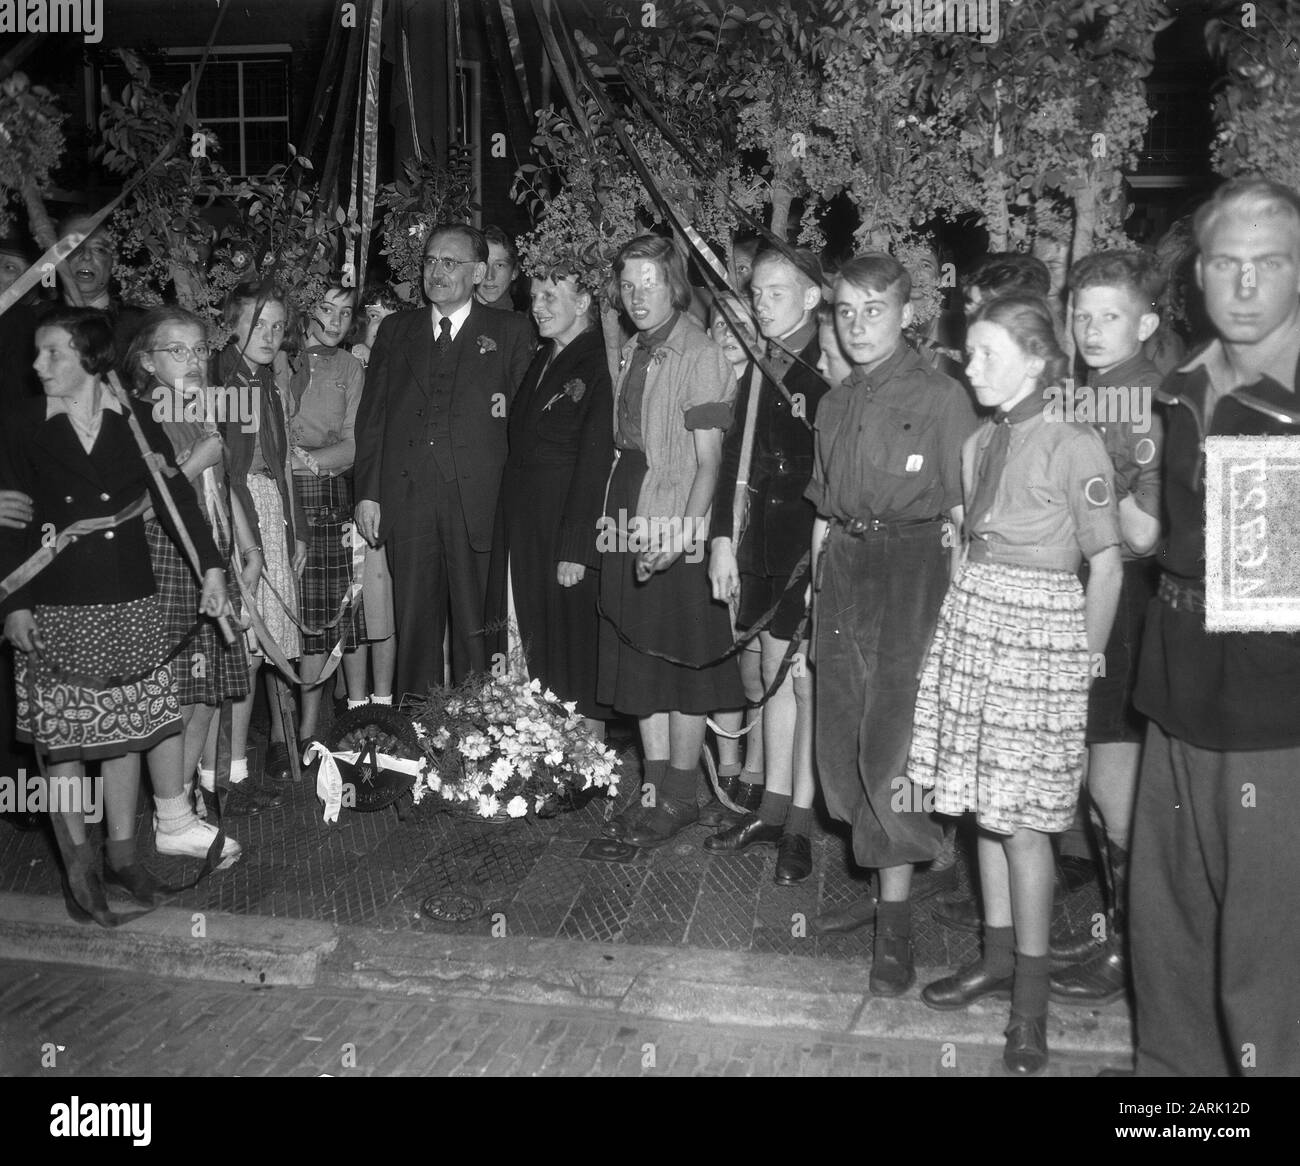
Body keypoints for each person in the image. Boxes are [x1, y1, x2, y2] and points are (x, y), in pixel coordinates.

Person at [907, 294, 1122, 1075]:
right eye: (970, 352)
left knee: (1026, 825)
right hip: (977, 625)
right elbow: (968, 547)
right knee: (979, 809)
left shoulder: (1074, 445)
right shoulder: (975, 444)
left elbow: (1104, 564)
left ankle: (1030, 1008)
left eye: (990, 352)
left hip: (1044, 637)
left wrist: (1083, 664)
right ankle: (995, 956)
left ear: (1037, 359)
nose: (973, 365)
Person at [1128, 177, 1300, 1077]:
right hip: (1178, 693)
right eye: (1226, 264)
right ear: (1197, 273)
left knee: (1269, 968)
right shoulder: (1183, 385)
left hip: (1275, 720)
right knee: (1172, 940)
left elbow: (1270, 583)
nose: (1244, 286)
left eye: (1268, 265)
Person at [0, 308, 230, 922]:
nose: (37, 365)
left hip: (130, 598)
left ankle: (124, 858)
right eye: (39, 352)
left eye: (53, 354)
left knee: (127, 734)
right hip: (55, 603)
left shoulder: (133, 417)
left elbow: (174, 496)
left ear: (91, 359)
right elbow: (10, 520)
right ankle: (81, 873)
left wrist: (212, 569)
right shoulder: (23, 422)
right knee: (67, 739)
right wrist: (15, 603)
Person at [804, 253, 976, 992]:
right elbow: (824, 511)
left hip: (914, 572)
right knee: (840, 752)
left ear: (906, 313)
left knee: (893, 751)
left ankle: (894, 933)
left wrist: (961, 608)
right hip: (845, 568)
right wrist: (817, 596)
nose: (857, 323)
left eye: (873, 308)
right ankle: (908, 871)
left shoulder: (943, 398)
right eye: (844, 310)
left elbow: (965, 515)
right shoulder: (835, 403)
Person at [597, 234, 744, 847]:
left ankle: (682, 792)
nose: (637, 295)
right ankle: (656, 789)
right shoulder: (635, 347)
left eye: (649, 282)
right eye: (628, 284)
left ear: (674, 285)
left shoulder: (698, 351)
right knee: (642, 657)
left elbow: (710, 462)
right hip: (632, 500)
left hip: (678, 509)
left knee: (680, 661)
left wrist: (684, 533)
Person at [1047, 251, 1165, 1006]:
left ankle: (1133, 953)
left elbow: (1147, 533)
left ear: (1146, 323)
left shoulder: (1141, 400)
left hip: (1123, 602)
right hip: (1085, 592)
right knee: (1095, 780)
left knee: (1113, 780)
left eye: (1110, 316)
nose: (1091, 329)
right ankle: (1121, 935)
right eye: (1082, 315)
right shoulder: (1087, 392)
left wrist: (1097, 477)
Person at [353, 222, 532, 693]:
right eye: (430, 261)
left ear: (477, 272)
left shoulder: (511, 331)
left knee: (479, 628)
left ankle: (473, 743)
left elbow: (525, 428)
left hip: (480, 502)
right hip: (408, 500)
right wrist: (368, 493)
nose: (437, 271)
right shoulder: (396, 330)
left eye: (450, 263)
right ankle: (416, 737)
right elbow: (372, 420)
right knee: (414, 626)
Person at [706, 247, 828, 884]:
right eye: (755, 293)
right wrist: (723, 540)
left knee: (803, 684)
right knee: (776, 678)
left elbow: (830, 481)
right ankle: (773, 808)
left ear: (811, 297)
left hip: (807, 552)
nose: (760, 303)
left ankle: (800, 827)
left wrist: (815, 570)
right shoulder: (761, 362)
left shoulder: (827, 369)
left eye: (775, 292)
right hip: (760, 548)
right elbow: (734, 460)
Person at [125, 307, 249, 865]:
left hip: (210, 556)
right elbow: (135, 506)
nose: (195, 360)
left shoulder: (197, 404)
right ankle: (171, 813)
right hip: (166, 560)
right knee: (173, 691)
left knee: (206, 689)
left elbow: (221, 486)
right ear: (147, 361)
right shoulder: (140, 412)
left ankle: (180, 808)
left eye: (200, 349)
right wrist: (199, 456)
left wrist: (246, 547)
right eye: (179, 351)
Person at [487, 270, 613, 726]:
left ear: (583, 303)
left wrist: (578, 547)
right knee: (534, 641)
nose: (536, 305)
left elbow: (595, 462)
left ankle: (586, 769)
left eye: (549, 296)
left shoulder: (600, 360)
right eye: (534, 295)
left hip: (564, 527)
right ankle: (539, 758)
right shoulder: (544, 357)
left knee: (574, 649)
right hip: (526, 525)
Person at [218, 282, 307, 809]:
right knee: (245, 649)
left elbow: (282, 461)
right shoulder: (225, 380)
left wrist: (293, 528)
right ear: (232, 323)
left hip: (270, 508)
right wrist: (245, 542)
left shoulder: (268, 380)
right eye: (259, 324)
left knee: (258, 652)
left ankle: (236, 768)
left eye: (277, 326)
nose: (270, 335)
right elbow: (225, 471)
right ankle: (227, 773)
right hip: (240, 517)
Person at [287, 282, 370, 738]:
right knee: (285, 614)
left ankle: (318, 728)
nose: (336, 321)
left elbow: (355, 441)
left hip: (327, 497)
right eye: (326, 308)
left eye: (345, 312)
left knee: (331, 615)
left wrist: (314, 462)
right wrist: (288, 460)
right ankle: (289, 736)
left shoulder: (351, 367)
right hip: (278, 493)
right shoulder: (283, 361)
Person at [701, 295, 765, 822]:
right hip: (710, 535)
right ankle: (728, 762)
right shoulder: (708, 387)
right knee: (721, 654)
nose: (726, 333)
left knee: (757, 664)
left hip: (757, 537)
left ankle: (760, 768)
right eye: (718, 323)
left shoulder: (767, 390)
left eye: (738, 324)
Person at [52, 212, 145, 357]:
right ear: (55, 257)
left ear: (114, 261)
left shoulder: (139, 326)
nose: (86, 256)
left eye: (99, 249)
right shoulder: (29, 322)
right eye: (74, 247)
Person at [350, 284, 400, 369]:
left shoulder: (402, 367)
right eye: (374, 316)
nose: (383, 324)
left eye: (391, 319)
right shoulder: (348, 361)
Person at [476, 226, 522, 311]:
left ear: (514, 272)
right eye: (484, 264)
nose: (489, 276)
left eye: (499, 265)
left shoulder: (516, 322)